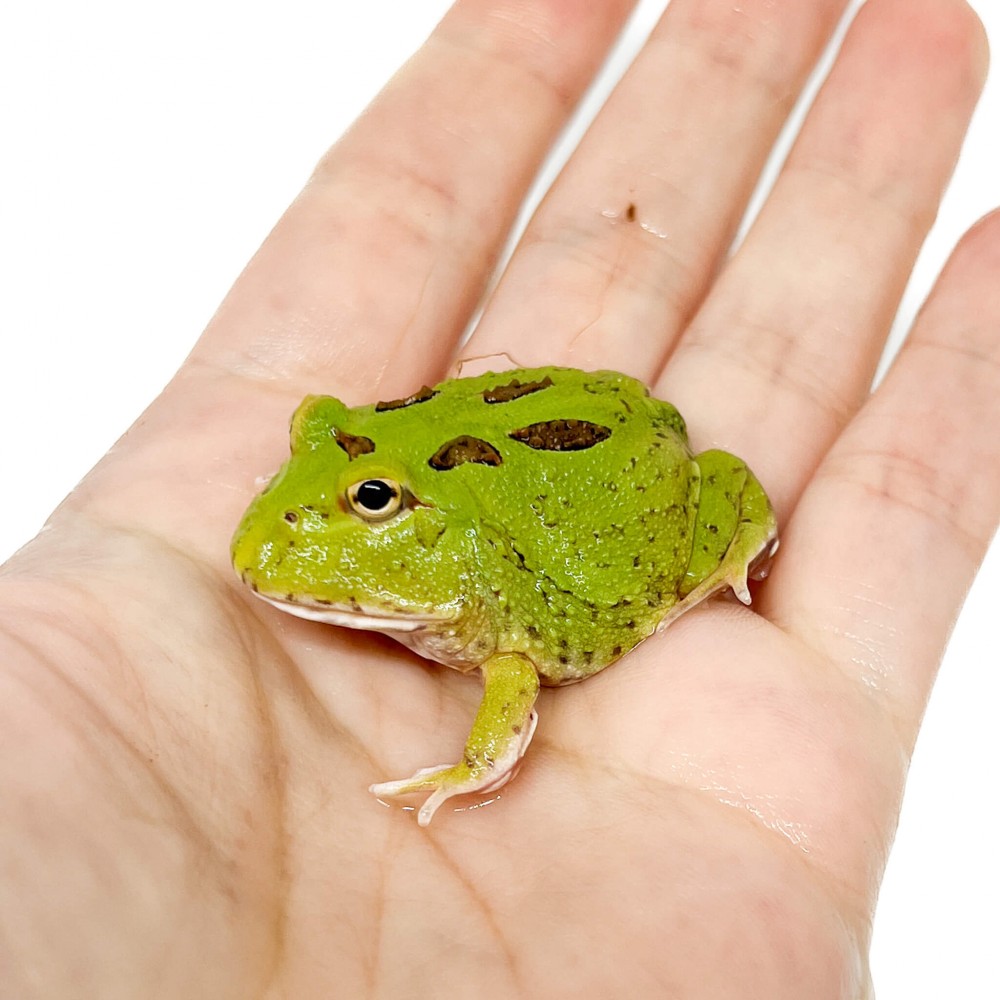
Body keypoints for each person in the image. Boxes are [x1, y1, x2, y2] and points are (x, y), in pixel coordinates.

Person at [1, 0, 996, 996]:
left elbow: (511, 675)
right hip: (547, 437)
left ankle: (721, 543)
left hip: (623, 491)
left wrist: (468, 770)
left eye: (372, 500)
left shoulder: (495, 620)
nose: (298, 512)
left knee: (700, 508)